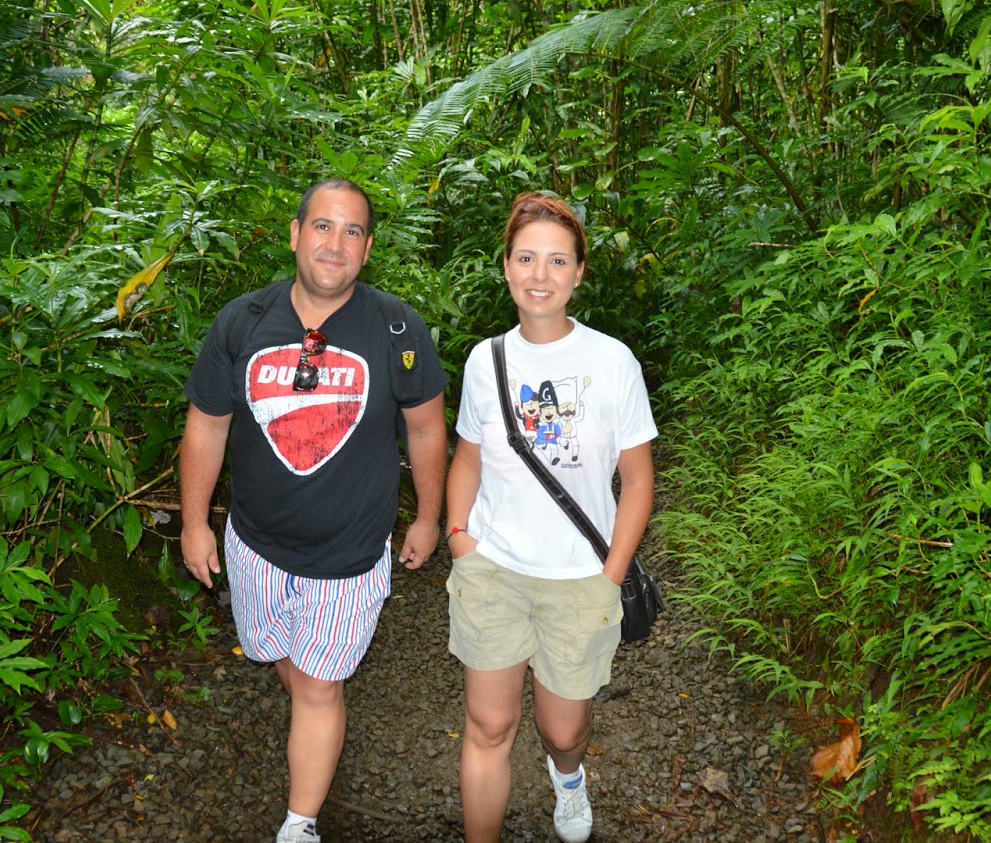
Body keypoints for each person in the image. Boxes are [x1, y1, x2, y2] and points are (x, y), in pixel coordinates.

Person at [179, 179, 449, 843]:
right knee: (285, 662)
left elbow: (425, 429)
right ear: (295, 234)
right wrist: (193, 522)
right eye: (323, 226)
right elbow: (207, 426)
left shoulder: (396, 327)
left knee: (320, 688)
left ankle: (300, 823)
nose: (336, 243)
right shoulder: (242, 322)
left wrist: (427, 516)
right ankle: (312, 708)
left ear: (369, 248)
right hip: (254, 546)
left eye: (353, 231)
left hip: (349, 554)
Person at [443, 191, 657, 843]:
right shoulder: (485, 361)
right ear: (506, 266)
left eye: (558, 260)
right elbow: (467, 458)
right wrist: (459, 538)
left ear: (579, 273)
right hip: (494, 569)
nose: (541, 274)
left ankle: (568, 775)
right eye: (527, 258)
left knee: (563, 730)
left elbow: (638, 479)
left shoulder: (612, 361)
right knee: (488, 726)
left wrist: (610, 575)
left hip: (580, 577)